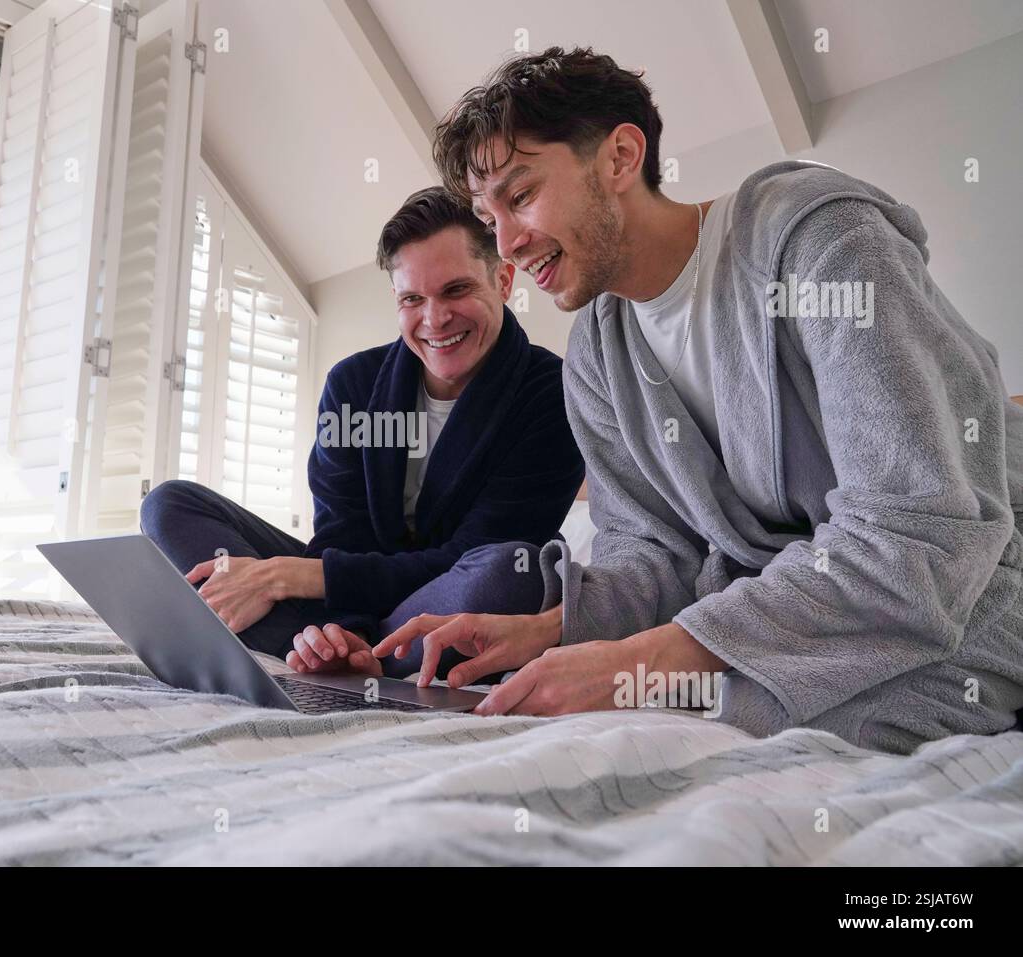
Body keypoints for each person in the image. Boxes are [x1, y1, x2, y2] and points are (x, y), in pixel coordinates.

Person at [359, 47, 1023, 754]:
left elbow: (917, 534)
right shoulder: (598, 351)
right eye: (490, 219)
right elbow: (654, 550)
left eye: (520, 197)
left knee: (728, 719)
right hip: (796, 612)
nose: (510, 244)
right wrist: (547, 630)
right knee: (639, 709)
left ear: (619, 157)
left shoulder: (821, 242)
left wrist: (636, 666)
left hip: (977, 588)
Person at [141, 186, 583, 677]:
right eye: (413, 298)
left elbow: (467, 555)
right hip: (346, 596)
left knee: (510, 571)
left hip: (443, 600)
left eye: (456, 290)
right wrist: (341, 624)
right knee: (169, 504)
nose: (435, 319)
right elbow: (341, 531)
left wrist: (286, 578)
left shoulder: (552, 394)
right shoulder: (352, 384)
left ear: (502, 279)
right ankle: (332, 650)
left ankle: (330, 651)